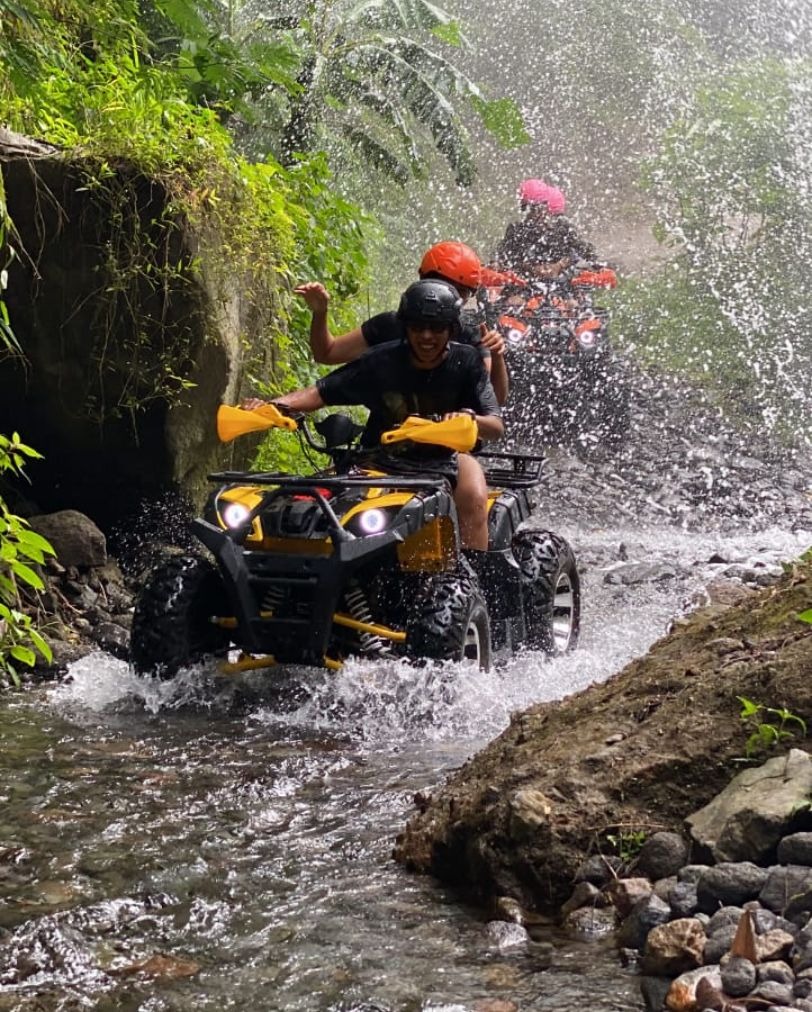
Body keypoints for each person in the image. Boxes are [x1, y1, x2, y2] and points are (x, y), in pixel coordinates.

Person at [243, 279, 503, 551]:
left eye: (436, 328)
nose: (427, 336)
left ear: (451, 330)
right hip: (377, 462)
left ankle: (472, 580)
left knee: (473, 497)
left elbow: (495, 425)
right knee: (317, 507)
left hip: (443, 461)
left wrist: (468, 420)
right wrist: (270, 407)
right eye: (417, 327)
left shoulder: (467, 361)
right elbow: (318, 393)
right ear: (405, 327)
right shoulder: (381, 361)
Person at [298, 241, 509, 405]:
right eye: (417, 328)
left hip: (446, 446)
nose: (426, 336)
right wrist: (320, 313)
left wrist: (497, 357)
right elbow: (327, 354)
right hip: (386, 439)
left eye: (459, 292)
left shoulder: (469, 335)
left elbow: (491, 400)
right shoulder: (392, 324)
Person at [494, 178, 597, 280]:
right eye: (533, 209)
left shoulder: (563, 231)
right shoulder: (517, 231)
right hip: (526, 284)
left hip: (560, 284)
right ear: (525, 208)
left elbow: (585, 253)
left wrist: (559, 265)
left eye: (541, 208)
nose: (538, 213)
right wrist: (531, 268)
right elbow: (504, 258)